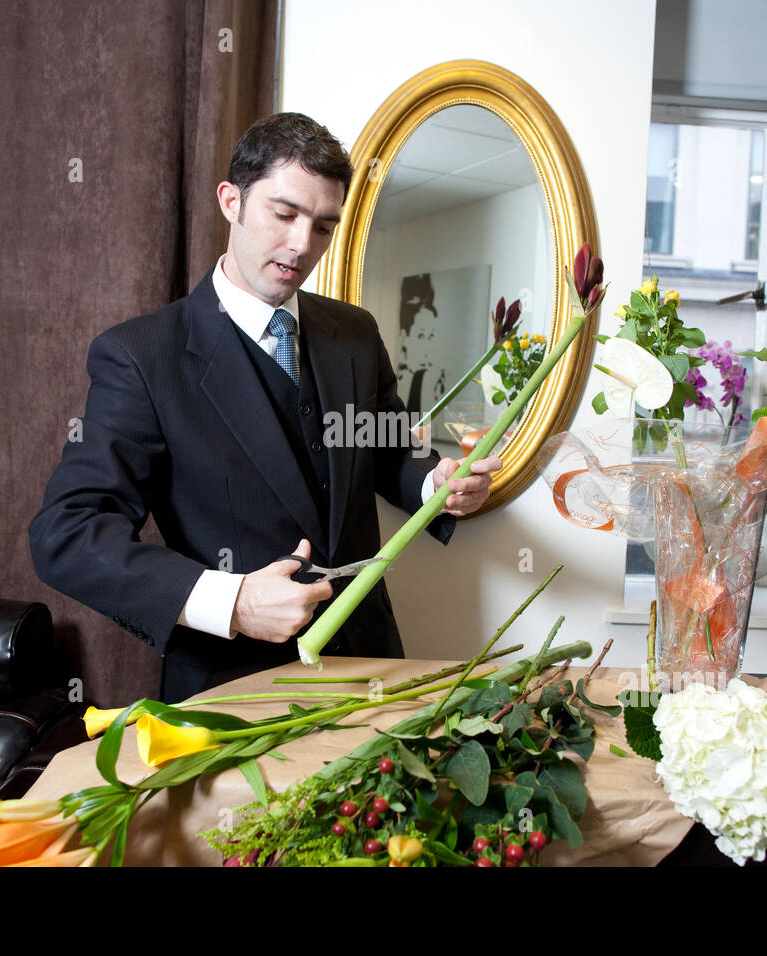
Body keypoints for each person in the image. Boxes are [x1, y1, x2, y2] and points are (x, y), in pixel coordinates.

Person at [29, 113, 502, 702]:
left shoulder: (354, 332)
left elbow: (382, 447)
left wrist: (436, 482)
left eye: (324, 227)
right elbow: (67, 534)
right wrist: (232, 601)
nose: (303, 246)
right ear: (232, 201)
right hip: (232, 690)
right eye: (284, 214)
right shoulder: (140, 356)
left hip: (372, 668)